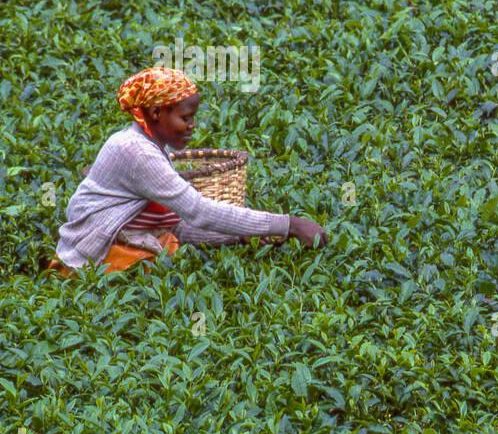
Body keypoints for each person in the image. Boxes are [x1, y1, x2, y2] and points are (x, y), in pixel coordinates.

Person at [47, 66, 327, 276]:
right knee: (162, 271)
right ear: (156, 113)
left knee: (170, 247)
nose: (192, 125)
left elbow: (175, 222)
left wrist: (241, 235)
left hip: (126, 235)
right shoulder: (136, 151)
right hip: (92, 251)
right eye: (185, 117)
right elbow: (199, 211)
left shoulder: (155, 147)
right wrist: (290, 224)